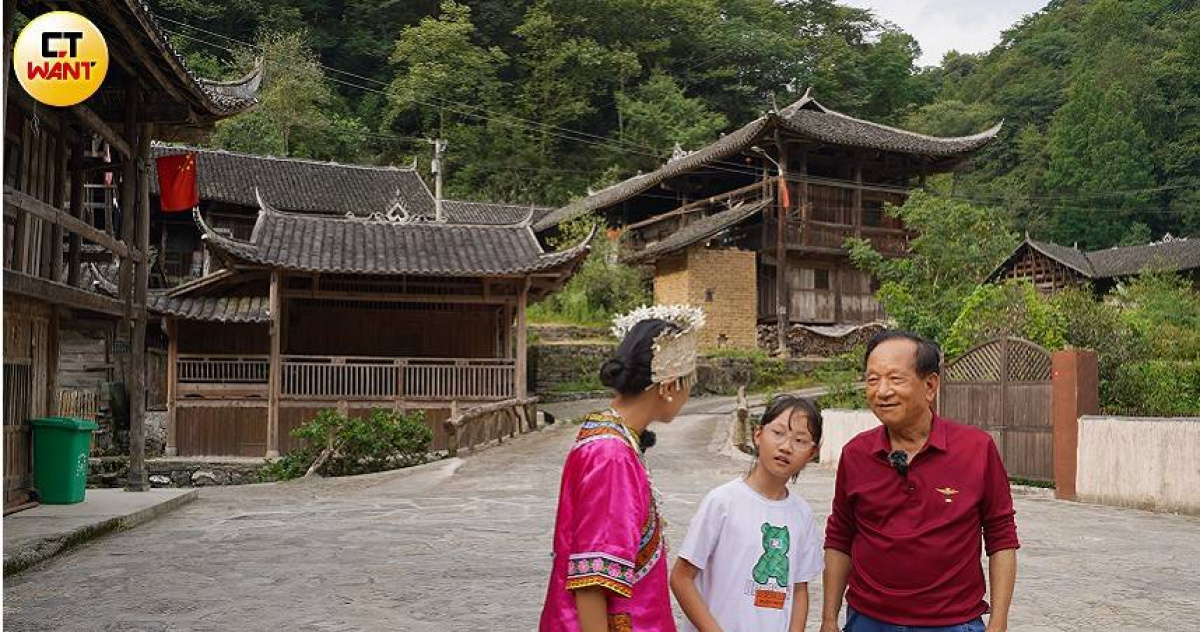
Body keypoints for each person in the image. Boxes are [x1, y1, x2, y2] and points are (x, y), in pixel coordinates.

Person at [821, 330, 1019, 632]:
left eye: (895, 379)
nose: (882, 391)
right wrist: (828, 619)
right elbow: (840, 537)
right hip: (868, 621)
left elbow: (1001, 534)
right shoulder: (856, 454)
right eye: (873, 380)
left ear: (930, 386)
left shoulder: (976, 449)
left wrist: (999, 621)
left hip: (952, 623)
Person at [540, 305, 705, 632]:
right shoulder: (612, 455)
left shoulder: (609, 438)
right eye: (689, 381)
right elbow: (592, 579)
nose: (690, 392)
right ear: (669, 385)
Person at [671, 395, 825, 632]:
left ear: (812, 453)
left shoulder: (802, 515)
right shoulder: (722, 502)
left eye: (800, 440)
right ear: (757, 435)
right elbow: (681, 578)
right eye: (778, 433)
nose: (786, 446)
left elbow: (799, 589)